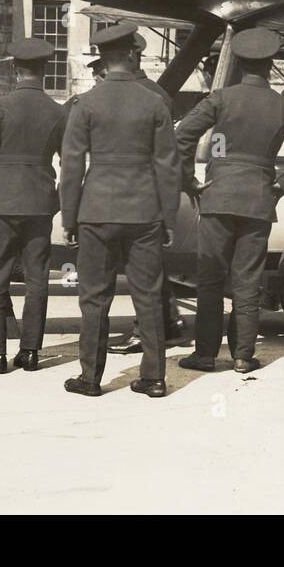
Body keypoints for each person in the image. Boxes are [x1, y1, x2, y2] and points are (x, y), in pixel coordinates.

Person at [175, 27, 284, 374]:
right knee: (247, 282)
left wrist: (190, 181)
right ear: (271, 65)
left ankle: (205, 355)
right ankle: (243, 356)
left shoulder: (220, 99)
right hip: (259, 201)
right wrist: (282, 186)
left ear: (239, 63)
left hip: (216, 197)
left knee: (211, 280)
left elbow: (182, 134)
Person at [59, 23, 180, 398]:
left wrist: (69, 217)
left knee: (95, 297)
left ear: (105, 60)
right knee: (148, 295)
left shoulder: (87, 104)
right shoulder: (154, 102)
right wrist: (169, 217)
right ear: (131, 55)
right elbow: (168, 165)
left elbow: (72, 164)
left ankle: (91, 378)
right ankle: (154, 378)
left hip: (96, 210)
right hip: (145, 212)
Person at [0, 39, 66, 375]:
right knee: (38, 279)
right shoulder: (57, 111)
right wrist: (57, 200)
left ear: (15, 69)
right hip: (39, 204)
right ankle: (31, 351)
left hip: (2, 202)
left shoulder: (0, 107)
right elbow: (73, 163)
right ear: (45, 69)